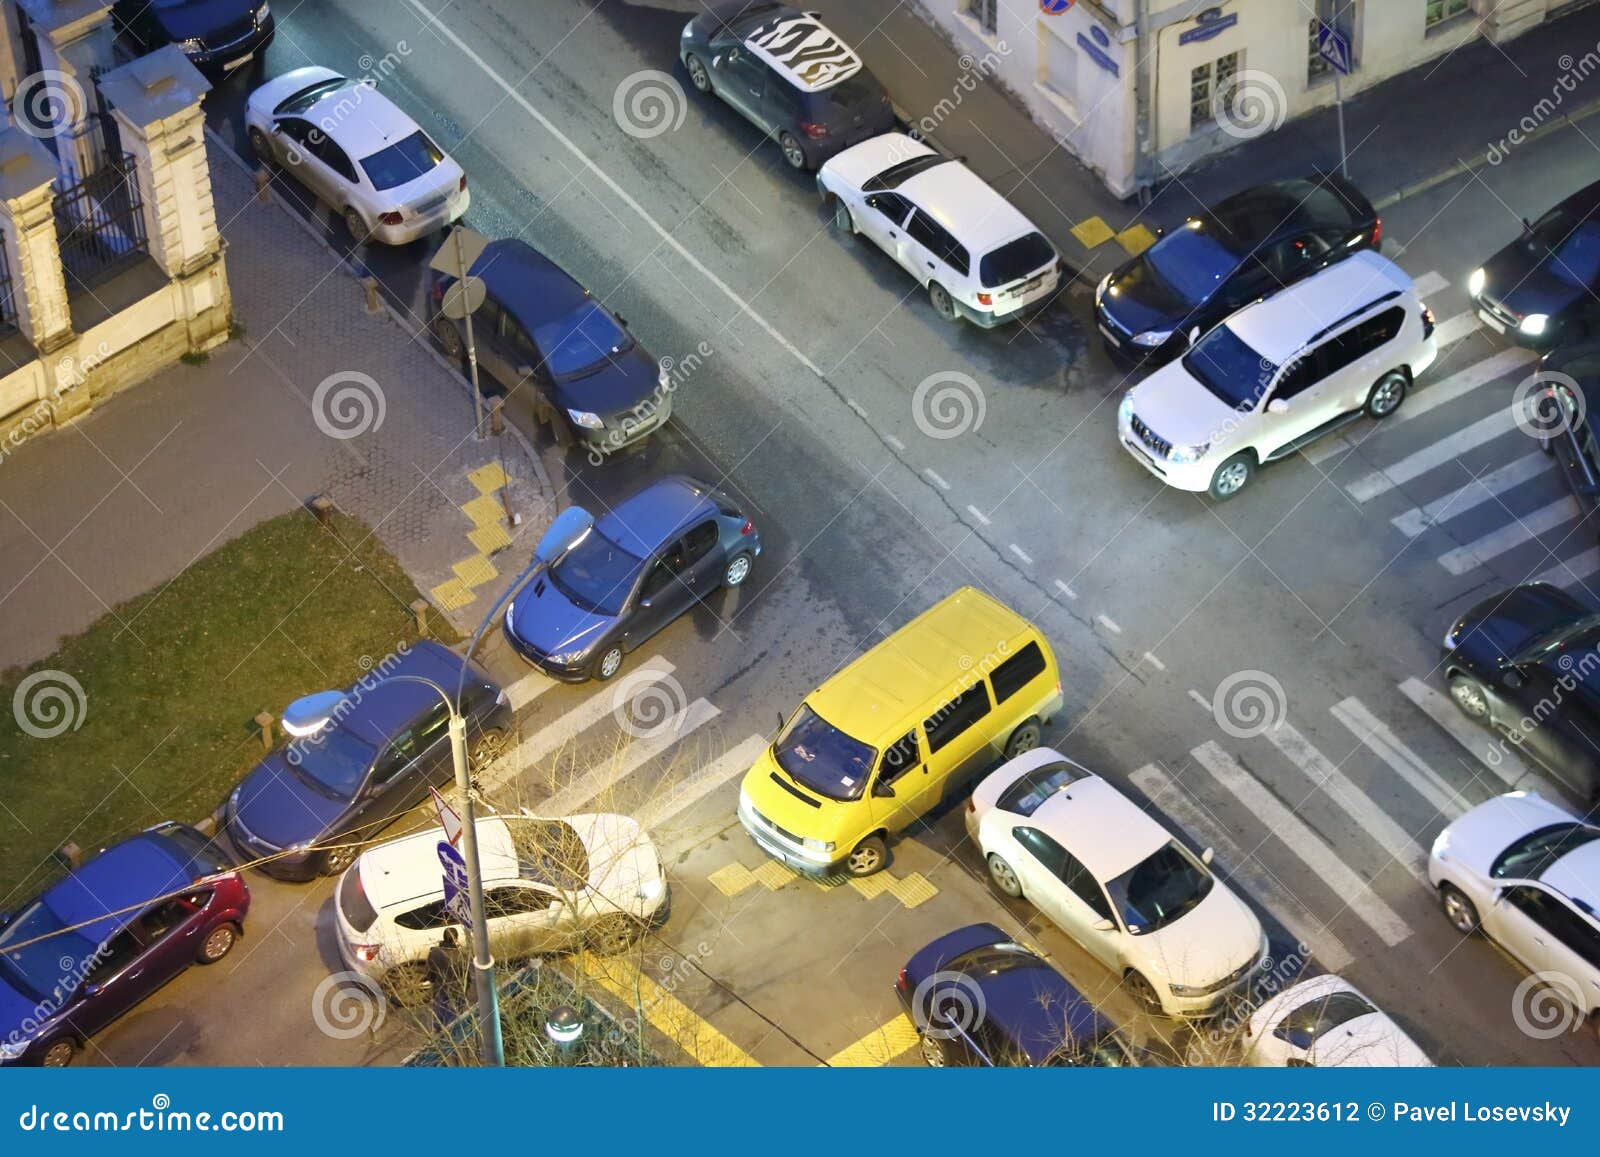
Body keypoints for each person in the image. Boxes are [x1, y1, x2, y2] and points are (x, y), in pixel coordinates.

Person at [425, 927, 471, 1029]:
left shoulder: (434, 953)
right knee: (455, 1022)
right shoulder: (462, 956)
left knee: (439, 1020)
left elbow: (430, 974)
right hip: (457, 992)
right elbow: (467, 979)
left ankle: (440, 1038)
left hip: (440, 991)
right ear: (456, 939)